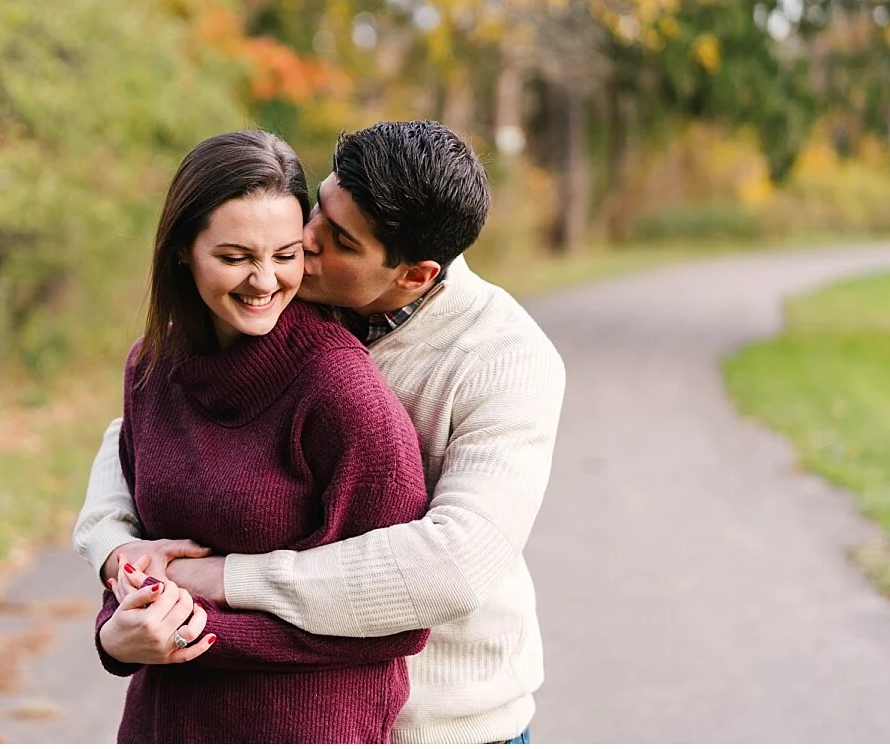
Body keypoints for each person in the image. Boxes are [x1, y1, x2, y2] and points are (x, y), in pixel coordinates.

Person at [75, 120, 566, 744]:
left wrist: (219, 577)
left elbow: (455, 564)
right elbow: (146, 425)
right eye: (318, 210)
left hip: (441, 722)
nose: (299, 244)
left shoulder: (505, 359)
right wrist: (119, 557)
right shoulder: (288, 288)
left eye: (336, 239)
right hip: (265, 704)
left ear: (413, 275)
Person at [91, 129, 431, 744]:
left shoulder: (341, 391)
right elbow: (140, 551)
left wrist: (196, 628)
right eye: (235, 257)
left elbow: (400, 622)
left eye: (285, 254)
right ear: (181, 251)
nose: (264, 280)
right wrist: (115, 634)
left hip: (305, 724)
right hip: (165, 723)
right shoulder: (150, 369)